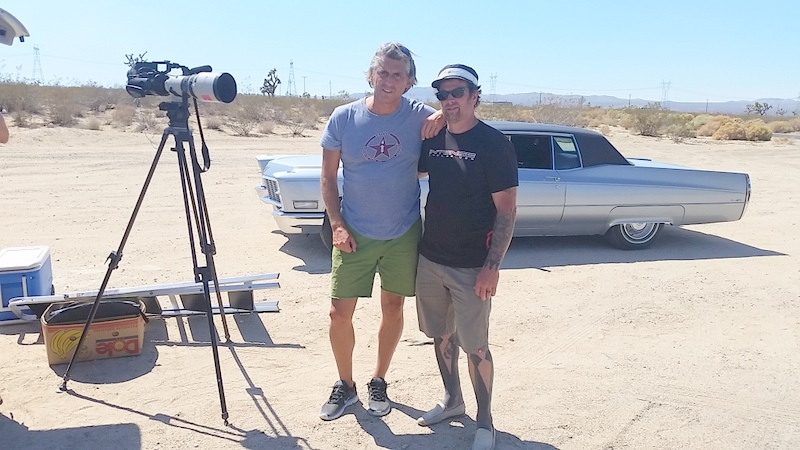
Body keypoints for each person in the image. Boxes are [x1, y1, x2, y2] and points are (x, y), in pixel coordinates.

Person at [318, 42, 443, 421]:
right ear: (371, 75)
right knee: (338, 314)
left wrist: (441, 115)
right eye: (383, 73)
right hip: (353, 230)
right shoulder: (344, 118)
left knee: (393, 307)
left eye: (397, 75)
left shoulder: (420, 116)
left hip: (403, 231)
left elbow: (459, 115)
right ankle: (345, 384)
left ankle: (379, 380)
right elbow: (328, 176)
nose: (388, 81)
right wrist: (337, 225)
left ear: (409, 82)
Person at [415, 64, 518, 450]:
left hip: (473, 265)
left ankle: (485, 422)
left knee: (475, 345)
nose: (449, 100)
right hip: (431, 258)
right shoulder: (433, 137)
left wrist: (492, 267)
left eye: (457, 92)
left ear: (475, 96)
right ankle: (452, 400)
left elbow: (507, 209)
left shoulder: (494, 143)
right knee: (441, 334)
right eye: (442, 94)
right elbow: (412, 174)